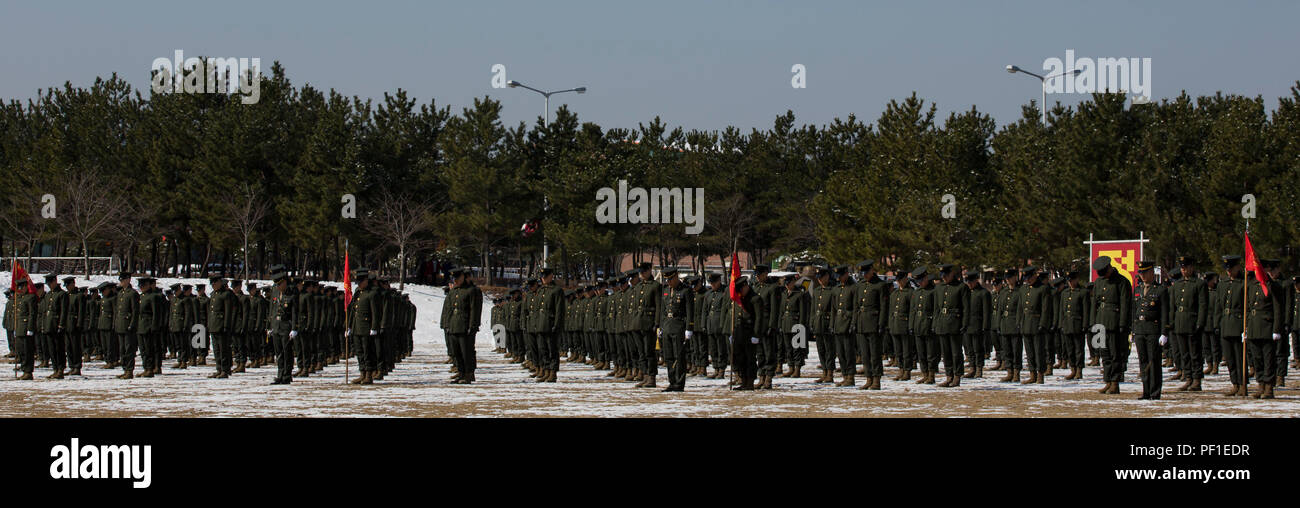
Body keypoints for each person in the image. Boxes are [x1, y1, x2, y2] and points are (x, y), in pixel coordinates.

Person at [1093, 256, 1133, 395]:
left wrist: (1123, 324)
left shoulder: (1122, 282)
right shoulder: (1098, 282)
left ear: (1109, 268)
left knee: (1116, 354)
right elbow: (1095, 304)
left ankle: (1115, 382)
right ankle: (1107, 381)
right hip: (1101, 321)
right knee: (1104, 354)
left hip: (1115, 323)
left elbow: (1125, 305)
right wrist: (1093, 322)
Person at [1131, 261, 1170, 400]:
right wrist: (1133, 330)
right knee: (1143, 362)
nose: (1142, 276)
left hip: (1153, 329)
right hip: (1140, 329)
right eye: (1140, 273)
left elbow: (1165, 313)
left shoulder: (1160, 290)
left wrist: (1164, 332)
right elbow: (1134, 311)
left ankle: (1155, 391)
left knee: (1153, 362)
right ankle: (1146, 391)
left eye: (1145, 273)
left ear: (1152, 273)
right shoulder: (1138, 289)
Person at [442, 268, 483, 384]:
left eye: (457, 278)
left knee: (466, 352)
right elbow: (449, 309)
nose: (455, 280)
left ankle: (468, 374)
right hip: (454, 325)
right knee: (456, 352)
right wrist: (447, 324)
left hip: (465, 326)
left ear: (463, 277)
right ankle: (460, 372)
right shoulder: (453, 291)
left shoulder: (471, 291)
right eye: (454, 278)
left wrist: (473, 325)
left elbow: (474, 309)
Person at [656, 267, 693, 392]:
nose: (669, 282)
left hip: (679, 326)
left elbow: (689, 311)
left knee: (679, 356)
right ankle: (672, 381)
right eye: (667, 280)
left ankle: (679, 382)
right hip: (667, 326)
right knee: (669, 356)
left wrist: (689, 328)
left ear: (676, 276)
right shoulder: (666, 290)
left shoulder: (685, 290)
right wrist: (661, 326)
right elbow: (663, 311)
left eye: (671, 279)